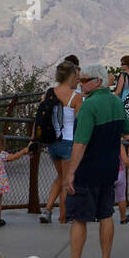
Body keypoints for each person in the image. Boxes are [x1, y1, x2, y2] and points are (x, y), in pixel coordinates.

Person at [58, 64, 129, 258]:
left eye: (84, 80)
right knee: (106, 215)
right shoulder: (117, 102)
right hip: (108, 170)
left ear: (97, 81)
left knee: (79, 219)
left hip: (86, 171)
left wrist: (70, 174)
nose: (80, 84)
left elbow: (80, 143)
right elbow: (128, 133)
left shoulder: (89, 106)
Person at [39, 60, 84, 224]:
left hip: (52, 143)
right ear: (72, 75)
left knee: (61, 176)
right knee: (66, 181)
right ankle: (63, 218)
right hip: (68, 142)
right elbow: (80, 123)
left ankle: (48, 209)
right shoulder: (75, 97)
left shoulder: (49, 92)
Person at [115, 141, 129, 224]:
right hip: (119, 173)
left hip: (106, 173)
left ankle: (101, 216)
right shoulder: (119, 145)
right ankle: (123, 218)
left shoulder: (102, 142)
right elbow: (126, 160)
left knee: (103, 195)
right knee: (121, 197)